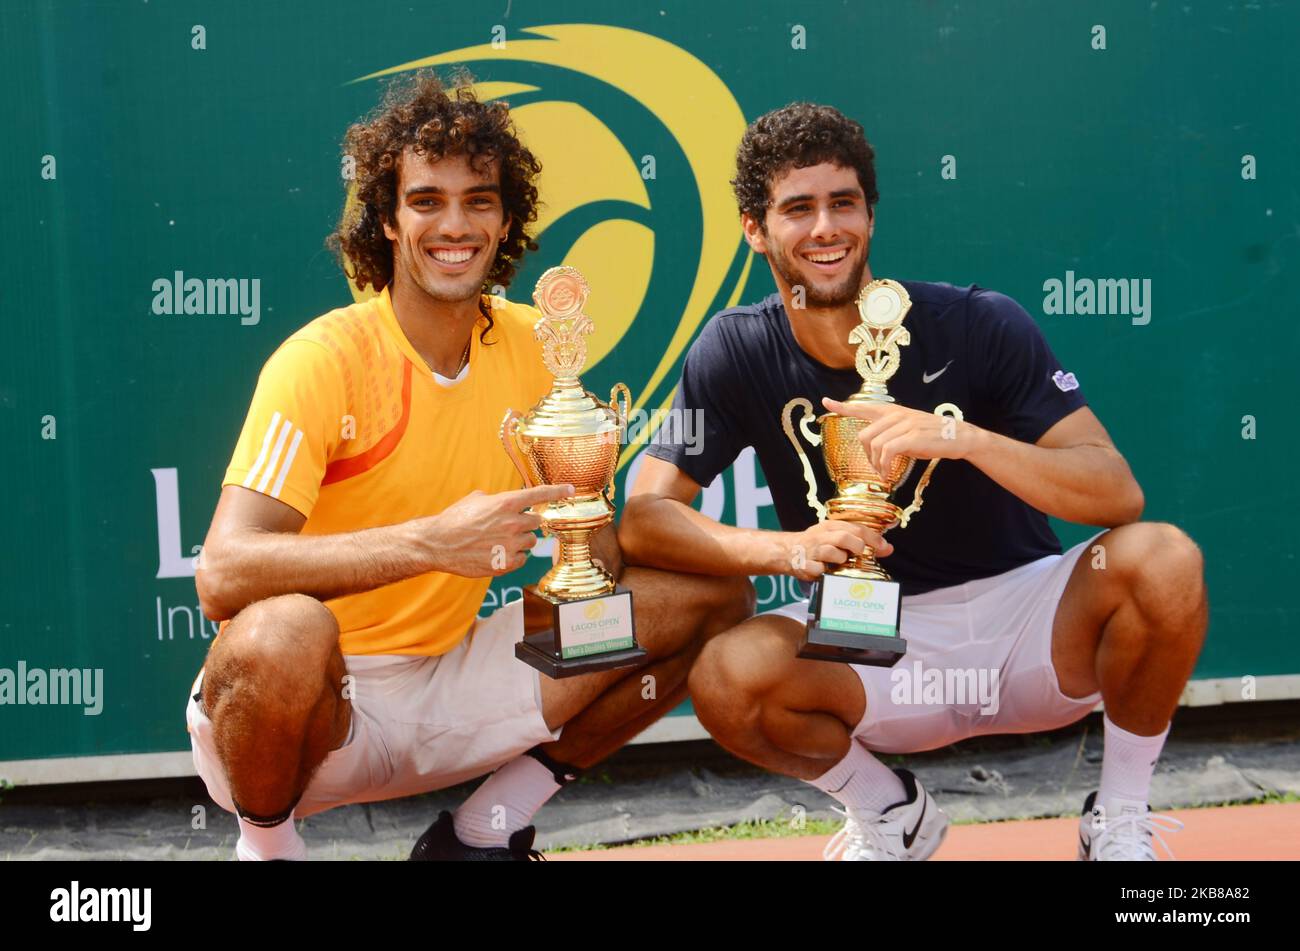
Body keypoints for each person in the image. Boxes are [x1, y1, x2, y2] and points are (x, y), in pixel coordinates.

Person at [186, 72, 753, 862]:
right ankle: (268, 849)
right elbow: (222, 572)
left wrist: (592, 584)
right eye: (426, 200)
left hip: (455, 685)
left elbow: (601, 552)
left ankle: (485, 829)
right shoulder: (322, 359)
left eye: (478, 200)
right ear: (386, 219)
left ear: (505, 219)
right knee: (280, 633)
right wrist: (428, 543)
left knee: (709, 596)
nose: (454, 224)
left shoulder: (537, 347)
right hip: (316, 716)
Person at [620, 102, 1207, 861]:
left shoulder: (978, 322)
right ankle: (887, 811)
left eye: (844, 203)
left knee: (1164, 559)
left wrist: (962, 438)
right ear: (755, 228)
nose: (825, 227)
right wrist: (789, 550)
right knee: (730, 676)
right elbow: (644, 516)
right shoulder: (735, 349)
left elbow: (1115, 491)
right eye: (798, 208)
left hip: (1027, 623)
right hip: (870, 647)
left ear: (870, 214)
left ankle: (1120, 820)